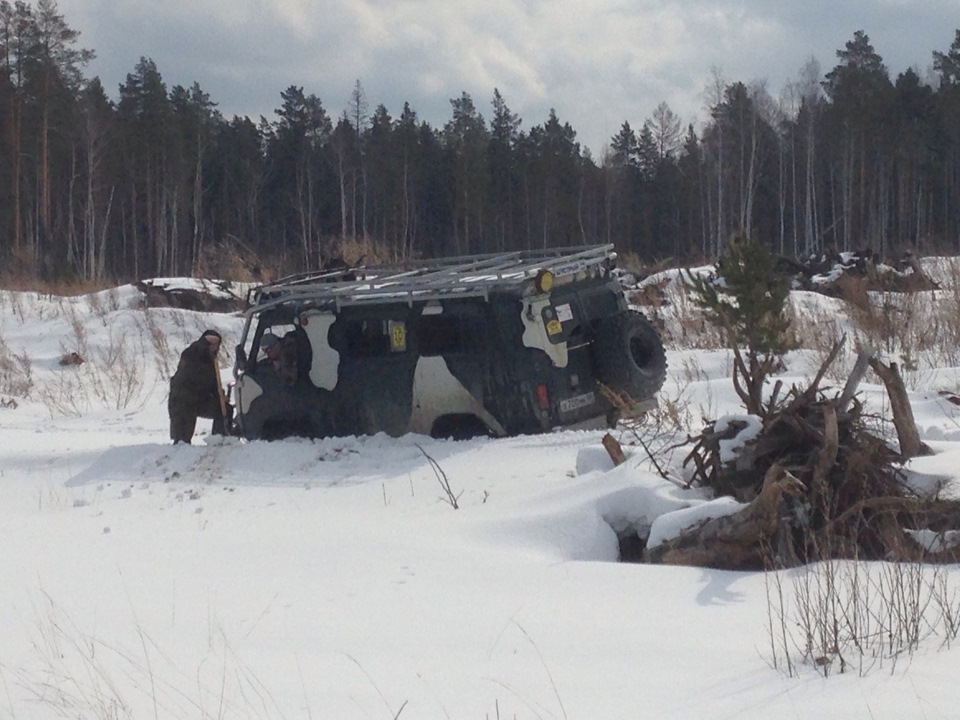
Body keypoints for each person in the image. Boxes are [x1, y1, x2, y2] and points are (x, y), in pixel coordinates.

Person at [168, 329, 226, 444]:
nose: (213, 346)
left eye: (216, 344)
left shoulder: (212, 362)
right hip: (182, 400)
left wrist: (221, 396)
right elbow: (192, 358)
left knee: (224, 409)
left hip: (200, 400)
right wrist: (204, 344)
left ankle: (218, 438)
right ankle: (180, 452)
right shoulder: (191, 354)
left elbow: (214, 385)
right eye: (210, 342)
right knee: (182, 440)